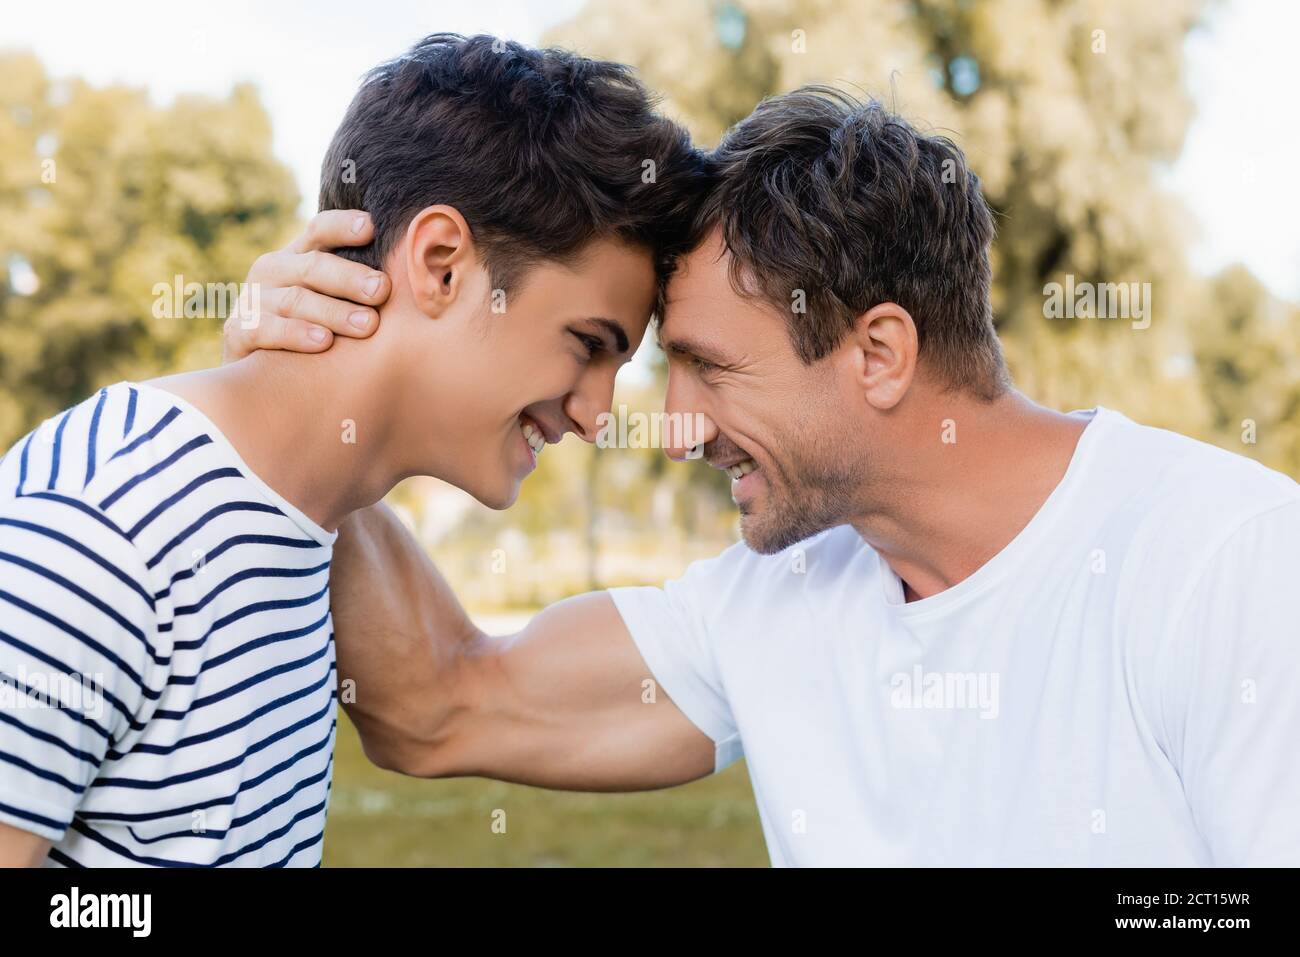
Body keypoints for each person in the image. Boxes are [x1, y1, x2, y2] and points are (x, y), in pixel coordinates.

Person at [228, 88, 1300, 866]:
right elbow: (439, 703)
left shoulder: (1230, 565)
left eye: (706, 368)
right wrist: (315, 391)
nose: (675, 427)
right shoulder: (779, 598)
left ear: (876, 355)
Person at [0, 33, 705, 867]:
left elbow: (449, 694)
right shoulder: (99, 535)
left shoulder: (309, 528)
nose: (596, 416)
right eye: (587, 343)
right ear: (440, 264)